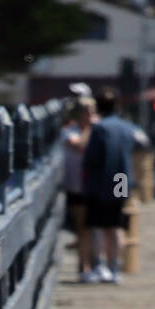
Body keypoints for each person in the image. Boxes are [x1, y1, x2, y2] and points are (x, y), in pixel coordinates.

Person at [79, 87, 135, 285]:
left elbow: (92, 158)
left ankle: (100, 267)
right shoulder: (127, 127)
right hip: (122, 180)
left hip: (102, 182)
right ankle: (115, 269)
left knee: (97, 227)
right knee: (115, 226)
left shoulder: (100, 128)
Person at [61, 97, 95, 274]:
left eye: (92, 112)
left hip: (95, 186)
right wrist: (91, 129)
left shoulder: (97, 130)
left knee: (93, 228)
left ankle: (93, 265)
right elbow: (81, 146)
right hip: (76, 188)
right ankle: (85, 266)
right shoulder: (69, 132)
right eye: (87, 112)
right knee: (84, 228)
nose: (90, 115)